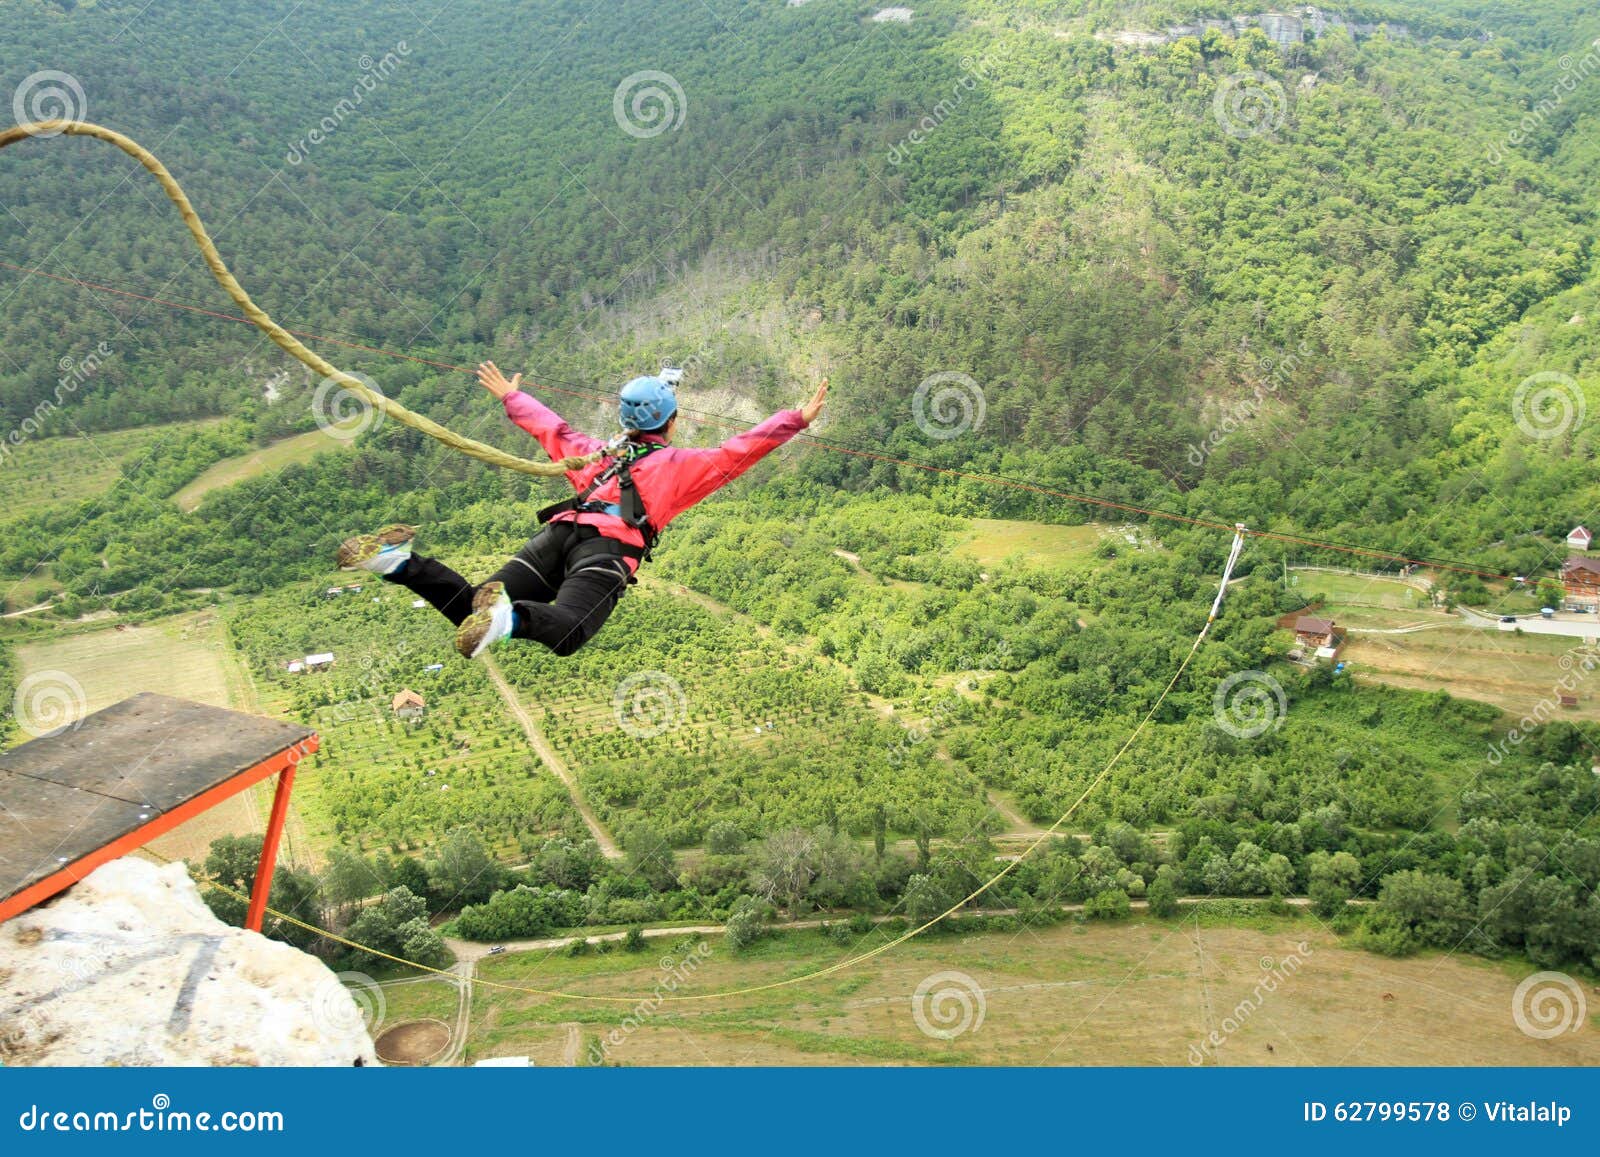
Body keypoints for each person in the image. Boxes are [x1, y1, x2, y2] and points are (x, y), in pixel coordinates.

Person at [337, 363, 828, 659]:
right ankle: (510, 620)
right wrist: (796, 420)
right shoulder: (680, 466)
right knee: (569, 631)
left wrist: (513, 397)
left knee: (472, 607)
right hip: (604, 548)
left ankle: (396, 562)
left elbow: (553, 430)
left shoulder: (597, 454)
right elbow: (737, 452)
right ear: (671, 423)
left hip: (557, 534)